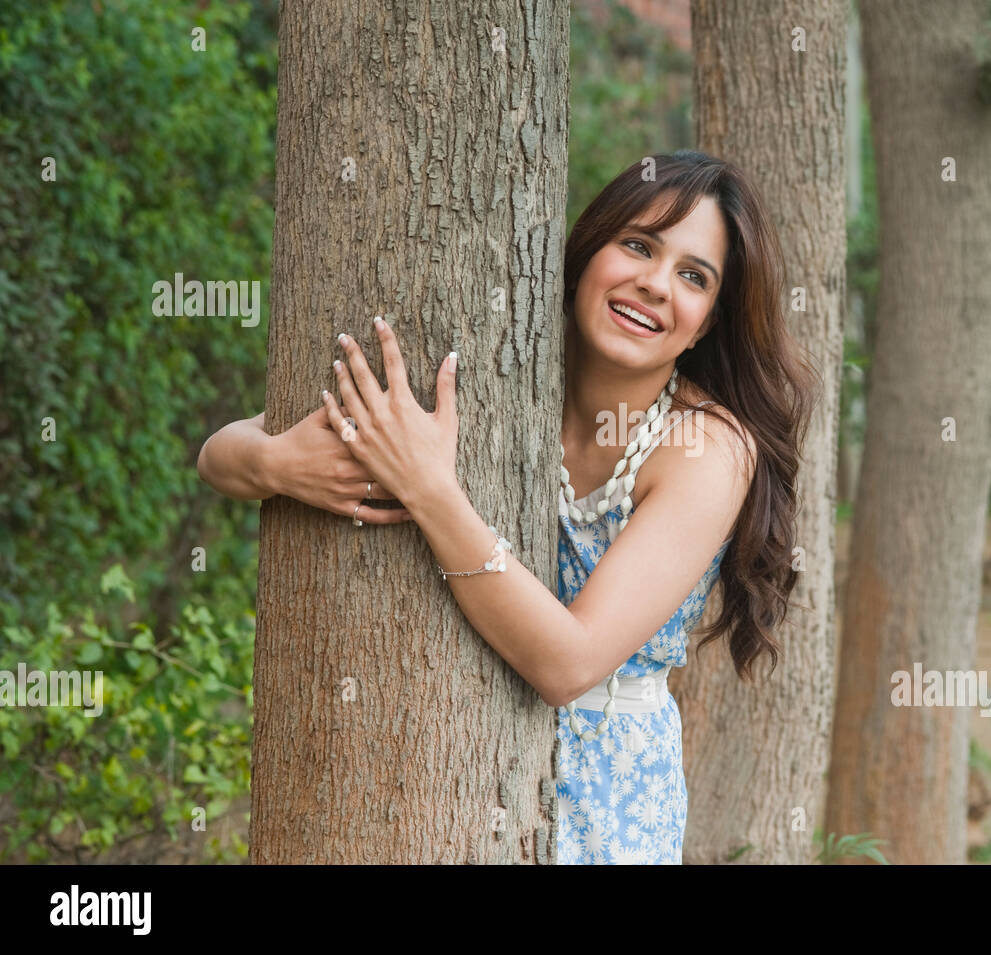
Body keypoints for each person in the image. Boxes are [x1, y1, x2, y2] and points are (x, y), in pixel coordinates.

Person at [197, 149, 816, 864]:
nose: (653, 284)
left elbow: (569, 662)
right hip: (448, 772)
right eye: (639, 245)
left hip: (606, 806)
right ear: (589, 250)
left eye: (692, 276)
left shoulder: (706, 449)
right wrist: (278, 462)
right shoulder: (509, 373)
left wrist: (431, 490)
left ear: (707, 322)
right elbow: (219, 454)